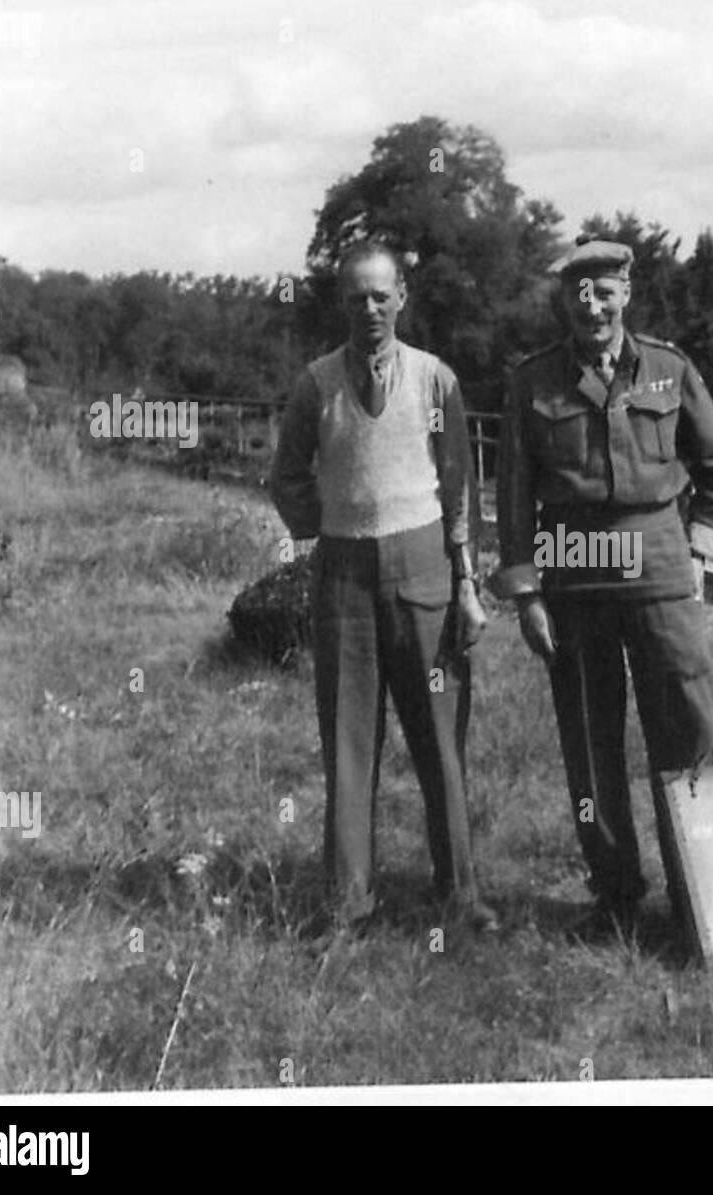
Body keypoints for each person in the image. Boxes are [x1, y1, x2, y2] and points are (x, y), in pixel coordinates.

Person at [491, 235, 713, 936]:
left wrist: (701, 546)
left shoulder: (668, 368)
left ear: (626, 292)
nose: (591, 305)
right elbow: (513, 497)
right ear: (561, 301)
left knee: (690, 723)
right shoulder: (532, 382)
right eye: (577, 292)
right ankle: (617, 897)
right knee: (590, 741)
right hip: (574, 568)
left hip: (659, 560)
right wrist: (527, 593)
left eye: (603, 291)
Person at [270, 240, 499, 934]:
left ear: (402, 297)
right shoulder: (316, 384)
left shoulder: (436, 381)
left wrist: (466, 584)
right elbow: (285, 476)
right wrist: (325, 521)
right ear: (341, 303)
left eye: (381, 295)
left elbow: (459, 487)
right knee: (348, 741)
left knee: (439, 737)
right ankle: (347, 904)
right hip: (343, 576)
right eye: (355, 297)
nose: (369, 308)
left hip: (425, 565)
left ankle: (459, 894)